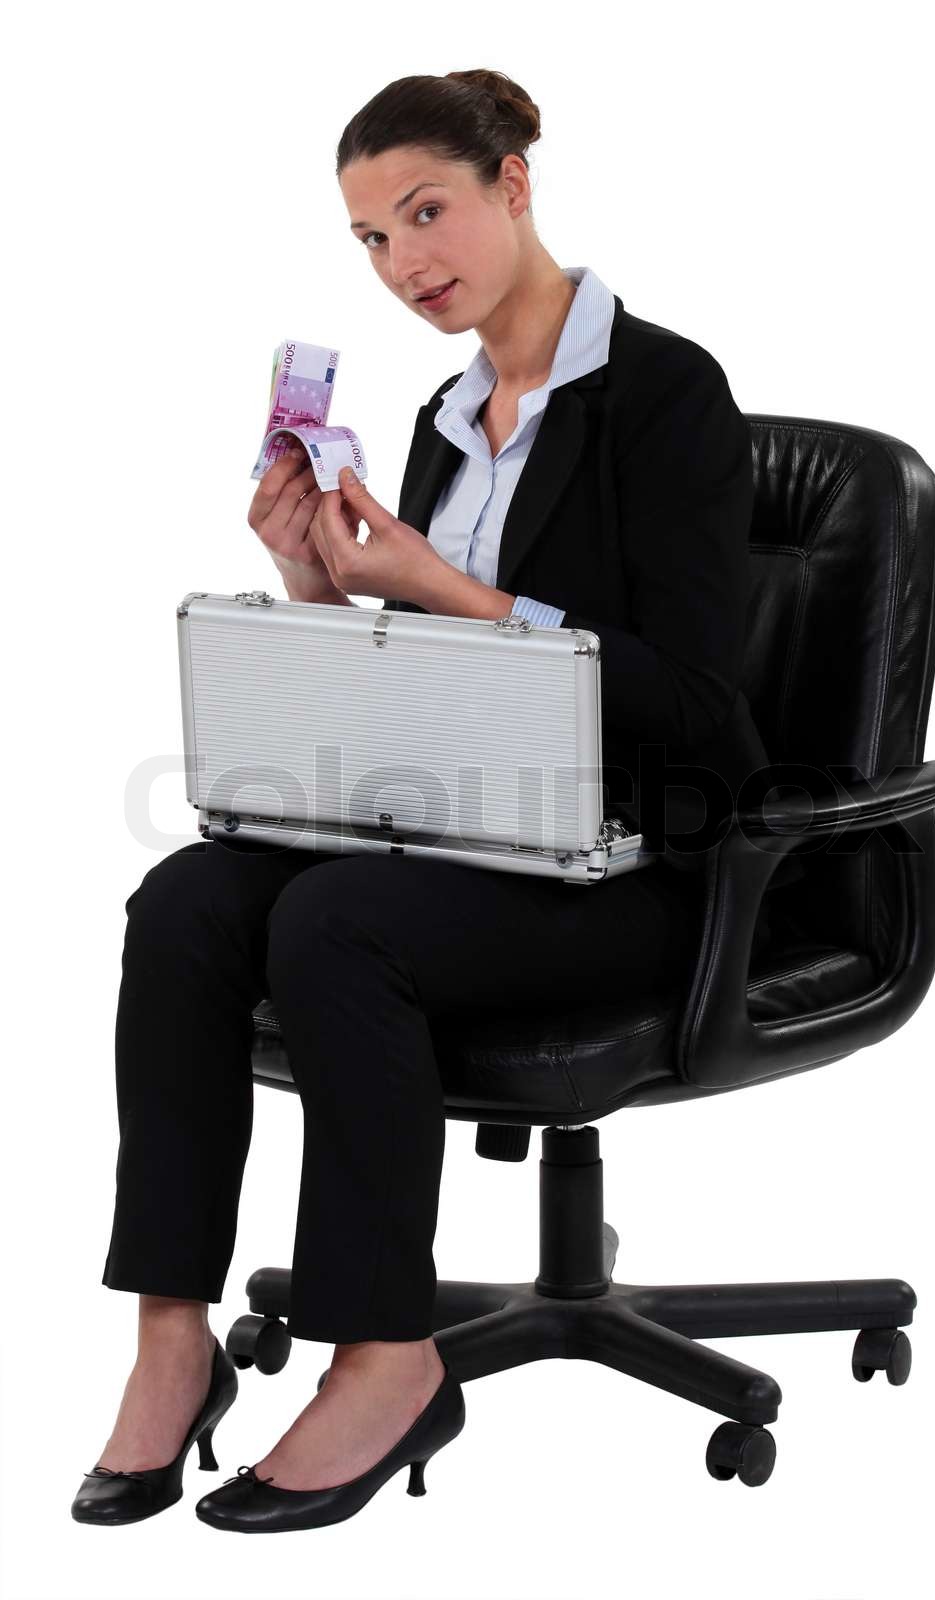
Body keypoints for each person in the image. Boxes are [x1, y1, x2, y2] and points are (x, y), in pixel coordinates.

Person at [72, 67, 768, 1534]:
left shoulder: (667, 398)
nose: (405, 264)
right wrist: (319, 590)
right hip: (468, 829)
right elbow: (431, 685)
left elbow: (705, 715)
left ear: (516, 181)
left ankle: (385, 1355)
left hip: (638, 865)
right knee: (188, 898)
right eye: (372, 239)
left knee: (335, 924)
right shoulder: (448, 417)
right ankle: (169, 1341)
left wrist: (448, 589)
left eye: (427, 212)